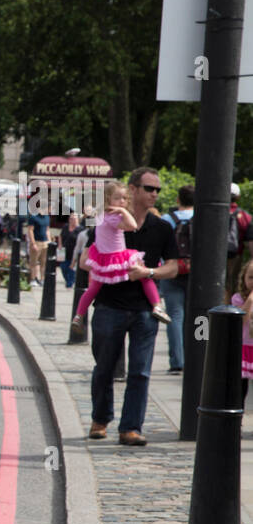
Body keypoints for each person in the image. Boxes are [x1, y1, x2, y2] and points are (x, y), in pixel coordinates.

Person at [84, 167, 179, 447]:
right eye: (149, 188)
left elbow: (173, 267)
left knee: (140, 370)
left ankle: (131, 428)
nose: (155, 194)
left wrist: (148, 272)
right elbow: (85, 258)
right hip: (108, 306)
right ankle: (100, 419)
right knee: (104, 368)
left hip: (144, 311)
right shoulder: (106, 222)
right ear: (133, 189)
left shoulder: (162, 228)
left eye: (157, 190)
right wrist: (97, 264)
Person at [71, 181, 170, 335]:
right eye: (118, 198)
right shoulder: (114, 217)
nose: (122, 202)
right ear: (108, 199)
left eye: (124, 198)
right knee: (144, 276)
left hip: (102, 258)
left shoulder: (101, 215)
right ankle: (157, 305)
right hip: (118, 256)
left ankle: (78, 315)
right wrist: (123, 212)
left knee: (94, 287)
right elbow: (132, 226)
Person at [159, 185, 193, 373]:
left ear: (178, 200)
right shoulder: (203, 217)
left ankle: (177, 361)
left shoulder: (167, 219)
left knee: (175, 317)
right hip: (198, 275)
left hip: (171, 271)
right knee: (199, 316)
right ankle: (198, 354)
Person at [230, 260, 253, 405]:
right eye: (251, 277)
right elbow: (241, 320)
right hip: (244, 348)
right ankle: (238, 415)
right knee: (240, 387)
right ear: (243, 279)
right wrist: (250, 300)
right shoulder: (238, 299)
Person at [26, 194, 51, 285]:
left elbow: (47, 230)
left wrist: (49, 241)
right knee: (33, 262)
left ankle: (42, 279)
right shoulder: (34, 217)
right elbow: (30, 230)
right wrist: (33, 243)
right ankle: (32, 279)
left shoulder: (47, 217)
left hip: (45, 242)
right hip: (36, 241)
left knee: (43, 263)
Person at [57, 211, 80, 288]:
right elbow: (60, 236)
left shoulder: (80, 229)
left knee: (72, 269)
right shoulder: (65, 226)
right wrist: (60, 244)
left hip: (74, 253)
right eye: (71, 218)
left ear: (78, 220)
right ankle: (68, 281)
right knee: (63, 267)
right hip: (64, 252)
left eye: (74, 218)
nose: (72, 220)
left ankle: (70, 283)